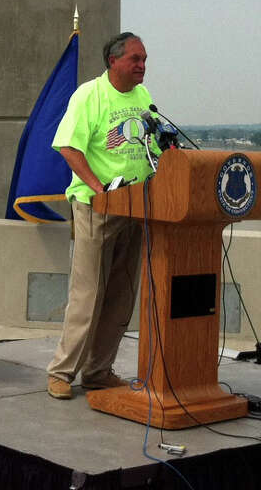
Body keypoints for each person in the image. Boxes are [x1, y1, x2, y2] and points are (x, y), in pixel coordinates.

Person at [46, 32, 158, 400]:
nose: (142, 66)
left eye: (144, 60)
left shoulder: (143, 97)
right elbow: (67, 146)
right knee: (88, 293)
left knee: (121, 295)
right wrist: (98, 188)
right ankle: (62, 372)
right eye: (135, 59)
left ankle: (98, 371)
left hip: (136, 208)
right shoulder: (89, 95)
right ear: (114, 61)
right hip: (97, 207)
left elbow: (155, 145)